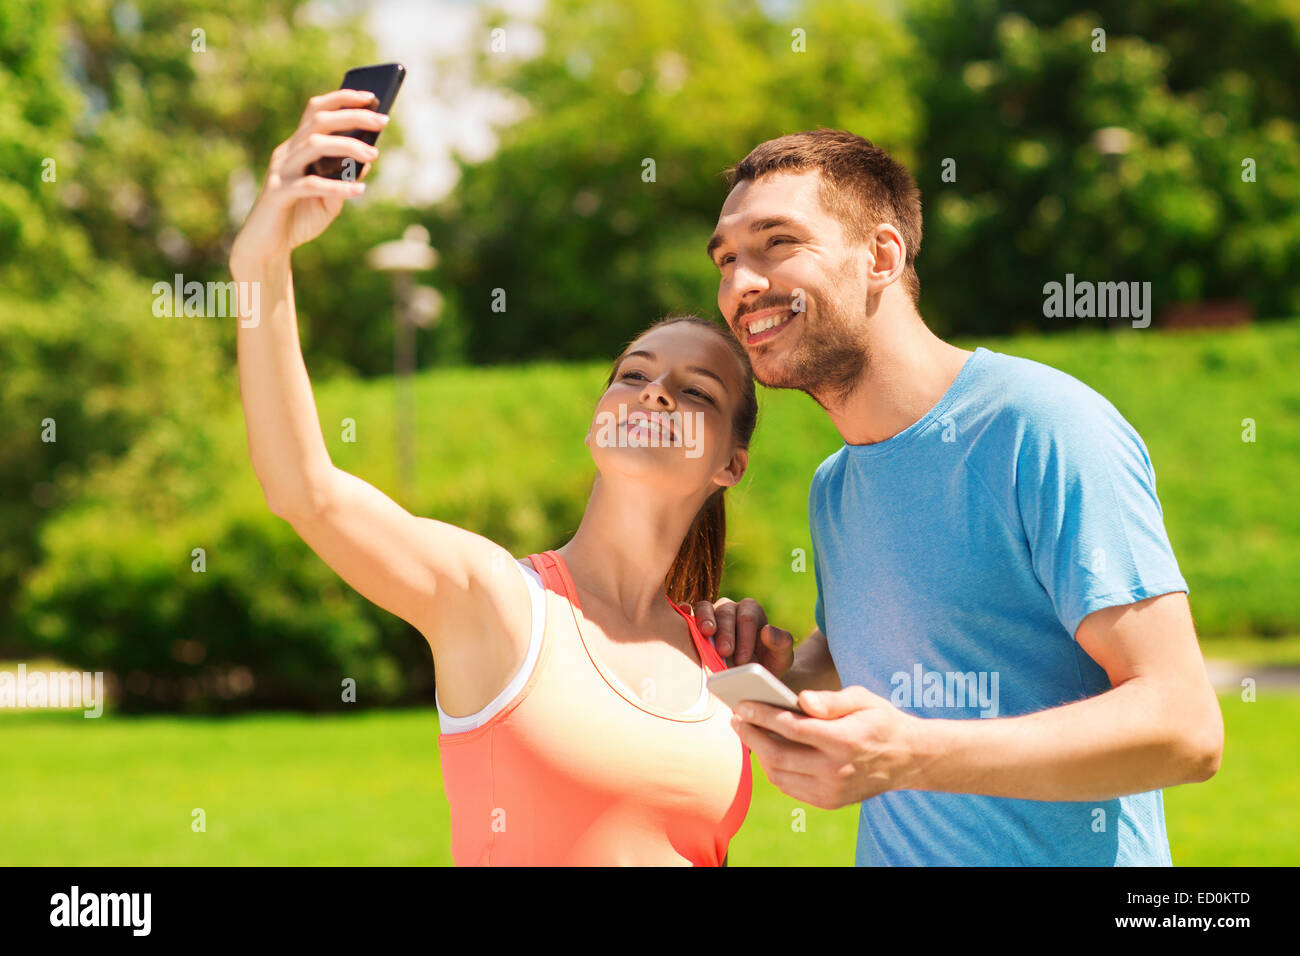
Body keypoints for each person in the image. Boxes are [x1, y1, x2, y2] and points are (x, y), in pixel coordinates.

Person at [228, 89, 760, 865]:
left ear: (730, 465)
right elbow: (304, 488)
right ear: (596, 421)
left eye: (695, 392)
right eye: (633, 374)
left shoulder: (722, 658)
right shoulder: (499, 602)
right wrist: (260, 264)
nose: (654, 393)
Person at [692, 128, 1224, 866]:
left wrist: (913, 753)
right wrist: (778, 669)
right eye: (725, 259)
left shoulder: (1041, 427)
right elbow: (890, 658)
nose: (739, 285)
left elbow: (1186, 727)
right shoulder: (837, 486)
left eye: (776, 242)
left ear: (881, 256)